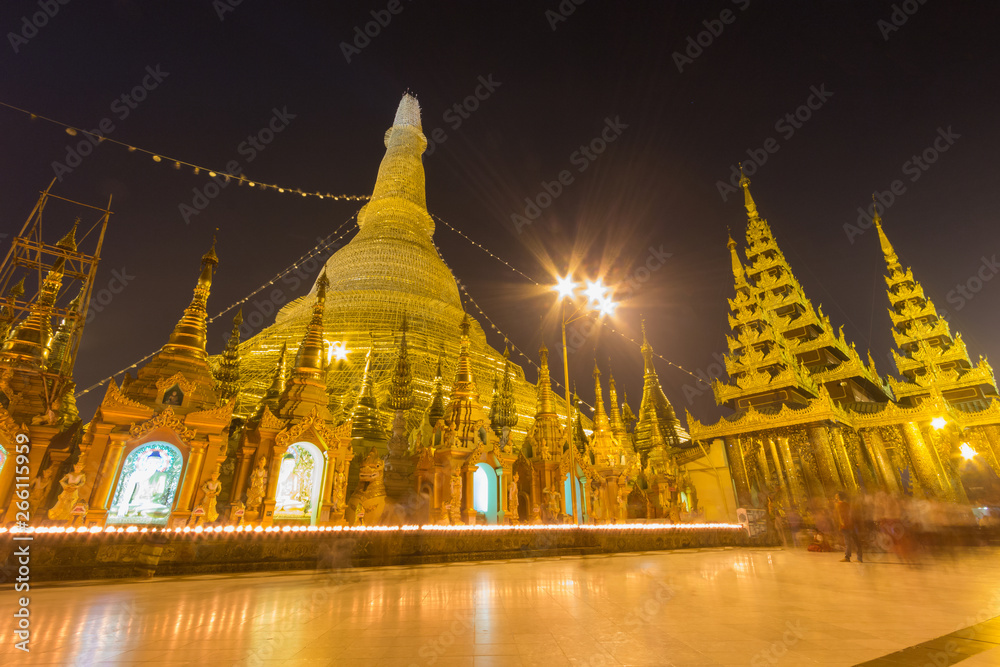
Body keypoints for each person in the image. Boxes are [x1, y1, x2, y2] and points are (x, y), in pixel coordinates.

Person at [836, 492, 863, 563]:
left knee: (848, 542)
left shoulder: (841, 505)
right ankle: (859, 558)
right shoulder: (850, 504)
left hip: (847, 526)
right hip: (852, 525)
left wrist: (842, 523)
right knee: (856, 541)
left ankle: (848, 557)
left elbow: (842, 515)